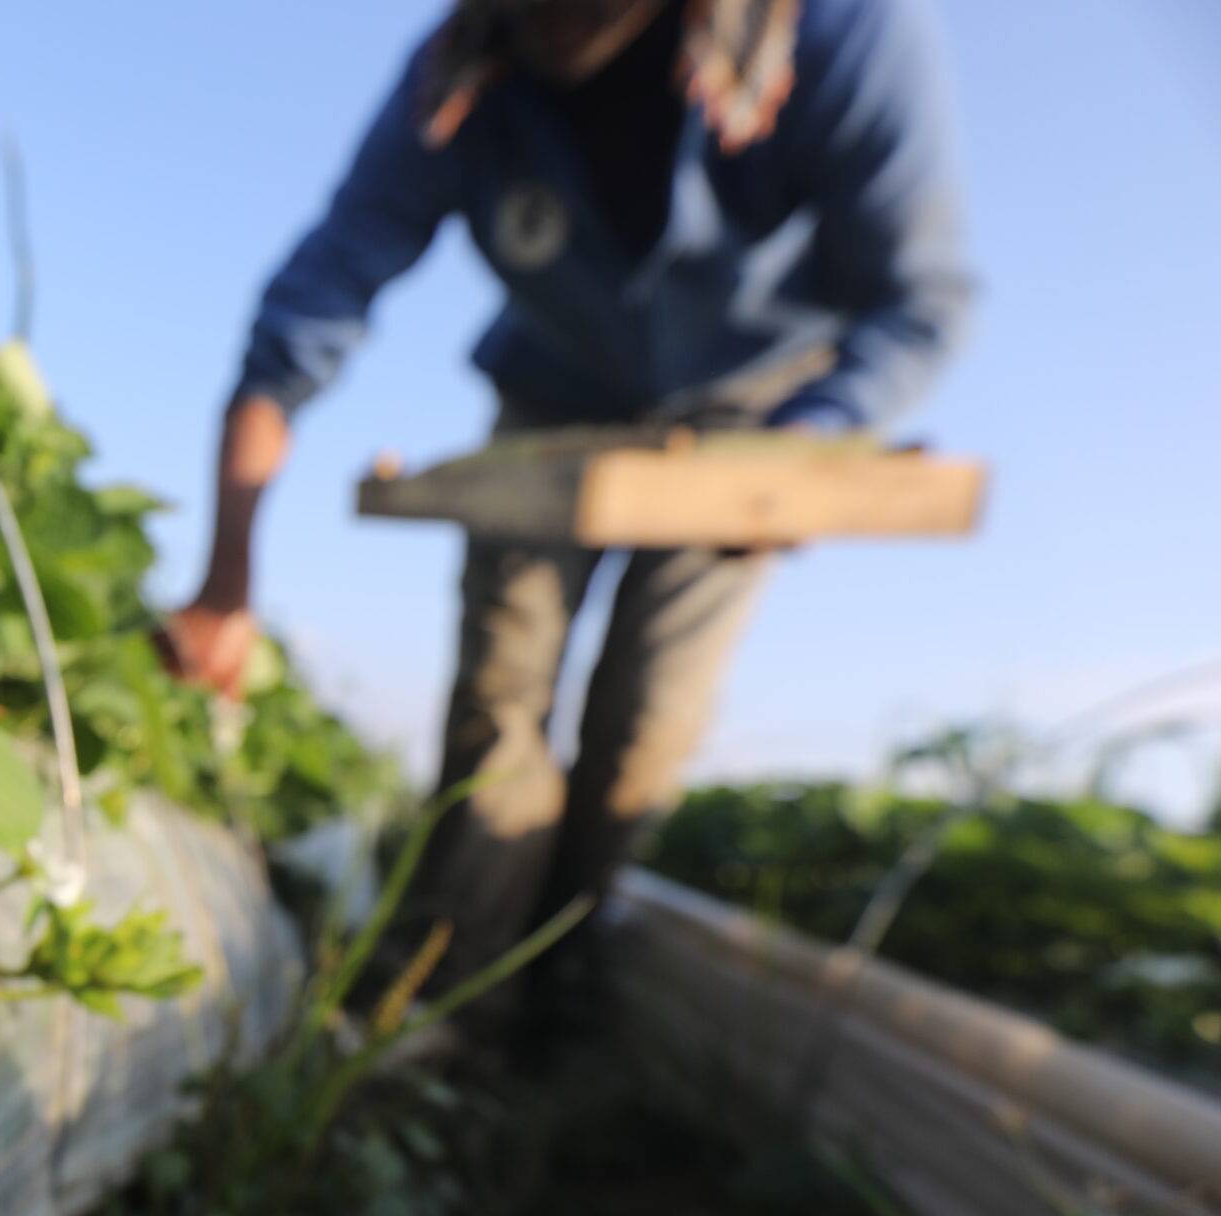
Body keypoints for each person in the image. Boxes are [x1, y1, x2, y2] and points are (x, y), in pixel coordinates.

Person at [169, 0, 972, 988]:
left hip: (749, 415)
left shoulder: (837, 32)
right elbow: (313, 305)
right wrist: (225, 580)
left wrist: (811, 445)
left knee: (647, 722)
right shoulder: (464, 72)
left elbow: (921, 299)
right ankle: (441, 989)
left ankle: (562, 971)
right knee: (499, 698)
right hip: (555, 391)